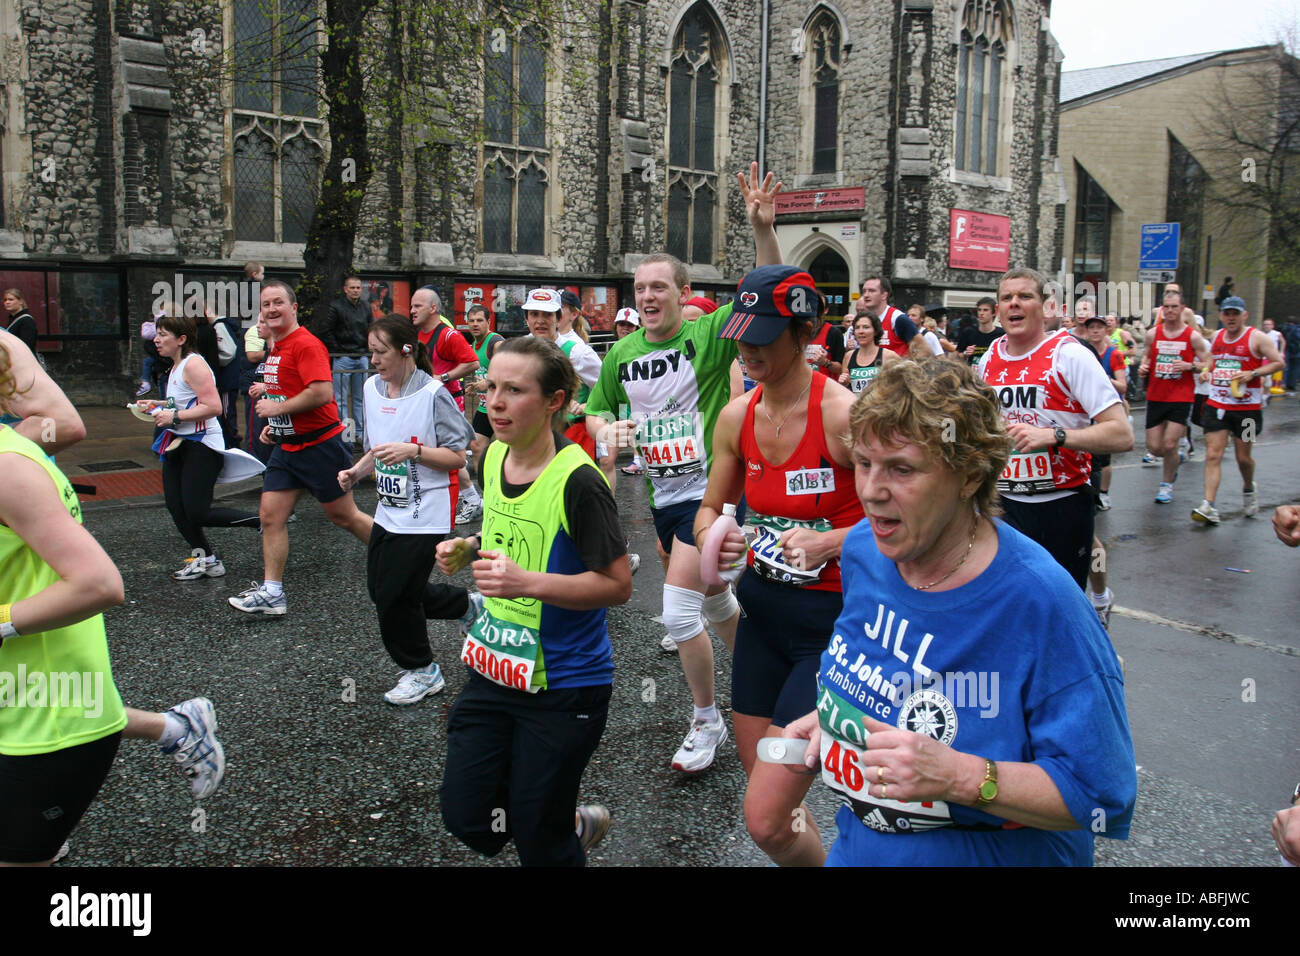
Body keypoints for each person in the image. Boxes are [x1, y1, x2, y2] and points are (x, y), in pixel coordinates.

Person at [781, 358, 1136, 865]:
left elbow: (1103, 795)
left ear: (970, 474)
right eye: (863, 462)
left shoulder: (1041, 601)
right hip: (861, 847)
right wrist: (838, 723)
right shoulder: (866, 547)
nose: (870, 491)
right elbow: (892, 675)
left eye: (901, 469)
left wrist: (962, 777)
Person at [436, 336, 632, 866]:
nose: (494, 402)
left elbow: (617, 584)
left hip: (567, 684)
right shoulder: (493, 455)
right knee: (467, 816)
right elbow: (508, 533)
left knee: (538, 842)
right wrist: (470, 545)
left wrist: (527, 584)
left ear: (555, 401)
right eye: (491, 387)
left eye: (513, 390)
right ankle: (561, 820)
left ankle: (551, 826)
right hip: (497, 667)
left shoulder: (580, 482)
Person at [695, 265, 863, 866]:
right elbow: (709, 508)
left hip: (833, 626)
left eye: (764, 336)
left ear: (806, 333)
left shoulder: (842, 416)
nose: (749, 349)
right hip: (761, 619)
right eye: (742, 335)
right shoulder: (736, 416)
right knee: (768, 797)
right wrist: (719, 535)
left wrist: (831, 543)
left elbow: (905, 526)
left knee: (764, 815)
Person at [337, 315, 475, 705]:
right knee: (383, 590)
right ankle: (468, 606)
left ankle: (422, 670)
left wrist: (414, 451)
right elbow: (379, 448)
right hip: (389, 507)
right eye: (370, 352)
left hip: (428, 507)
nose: (374, 360)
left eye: (380, 352)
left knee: (395, 595)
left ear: (406, 350)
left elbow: (456, 456)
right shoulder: (371, 387)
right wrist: (356, 471)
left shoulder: (433, 394)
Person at [978, 267, 1133, 589]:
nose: (1014, 304)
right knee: (1010, 600)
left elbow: (1121, 434)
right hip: (1005, 503)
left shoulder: (1070, 355)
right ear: (998, 310)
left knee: (1062, 602)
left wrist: (1055, 436)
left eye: (1025, 296)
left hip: (1061, 503)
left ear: (1046, 306)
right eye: (1006, 298)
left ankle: (1099, 602)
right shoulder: (990, 357)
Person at [230, 280, 373, 615]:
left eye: (278, 302)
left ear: (293, 308)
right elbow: (287, 393)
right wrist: (274, 427)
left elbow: (322, 392)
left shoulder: (306, 344)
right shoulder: (277, 347)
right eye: (266, 304)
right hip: (289, 447)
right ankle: (272, 592)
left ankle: (397, 552)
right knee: (270, 515)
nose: (271, 309)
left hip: (320, 446)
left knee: (344, 516)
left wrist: (276, 410)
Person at [148, 312, 261, 580]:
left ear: (181, 338)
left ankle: (260, 522)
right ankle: (207, 560)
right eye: (158, 333)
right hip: (178, 443)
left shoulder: (193, 364)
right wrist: (156, 406)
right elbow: (185, 402)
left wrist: (173, 417)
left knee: (197, 512)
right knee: (176, 507)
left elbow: (213, 406)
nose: (156, 339)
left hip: (202, 446)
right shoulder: (175, 365)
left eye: (163, 334)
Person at [1191, 295, 1285, 525]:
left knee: (1243, 458)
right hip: (1217, 405)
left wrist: (1253, 374)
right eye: (1227, 313)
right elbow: (1214, 360)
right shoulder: (1218, 337)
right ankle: (1209, 505)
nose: (1231, 318)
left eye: (1235, 314)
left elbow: (1279, 363)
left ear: (1244, 315)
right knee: (1213, 454)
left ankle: (1248, 488)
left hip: (1248, 410)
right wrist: (1206, 370)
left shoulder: (1257, 338)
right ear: (1222, 316)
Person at [412, 286, 482, 525]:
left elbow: (472, 363)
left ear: (433, 308)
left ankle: (471, 499)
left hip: (448, 401)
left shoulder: (447, 335)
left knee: (450, 453)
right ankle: (456, 498)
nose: (412, 311)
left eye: (417, 306)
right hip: (427, 401)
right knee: (436, 452)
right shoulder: (417, 334)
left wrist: (441, 378)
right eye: (411, 306)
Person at [1136, 289, 1211, 505]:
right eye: (1166, 307)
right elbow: (1147, 358)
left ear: (1182, 309)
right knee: (1154, 448)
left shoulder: (1192, 336)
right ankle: (1175, 464)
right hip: (1156, 395)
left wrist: (1191, 366)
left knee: (1169, 445)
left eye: (1174, 307)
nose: (1169, 311)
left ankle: (1166, 484)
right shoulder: (1153, 334)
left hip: (1181, 397)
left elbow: (1209, 362)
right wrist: (1143, 367)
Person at [319, 275, 372, 442]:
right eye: (353, 287)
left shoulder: (366, 307)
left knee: (360, 397)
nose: (356, 290)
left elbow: (371, 328)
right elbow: (326, 330)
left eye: (358, 287)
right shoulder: (336, 306)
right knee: (340, 398)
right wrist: (339, 350)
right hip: (343, 357)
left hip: (361, 356)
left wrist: (366, 349)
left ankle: (360, 433)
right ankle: (343, 432)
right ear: (345, 289)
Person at [837, 310, 898, 393]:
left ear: (876, 331)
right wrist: (844, 383)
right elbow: (845, 389)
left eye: (866, 327)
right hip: (856, 404)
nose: (861, 331)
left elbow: (900, 388)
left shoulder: (889, 356)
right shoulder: (849, 356)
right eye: (857, 328)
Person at [858, 277, 916, 356]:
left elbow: (923, 350)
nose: (866, 295)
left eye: (872, 291)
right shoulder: (861, 320)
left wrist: (903, 365)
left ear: (884, 295)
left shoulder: (897, 318)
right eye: (864, 291)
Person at [956, 296, 1003, 367]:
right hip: (973, 375)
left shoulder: (1002, 334)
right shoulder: (968, 332)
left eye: (985, 310)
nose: (981, 313)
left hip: (992, 374)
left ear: (994, 313)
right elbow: (955, 356)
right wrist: (965, 354)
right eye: (979, 310)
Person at [2, 289, 37, 357]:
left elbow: (26, 346)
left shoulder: (26, 320)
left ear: (21, 301)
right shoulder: (13, 319)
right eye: (5, 300)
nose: (7, 302)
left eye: (11, 299)